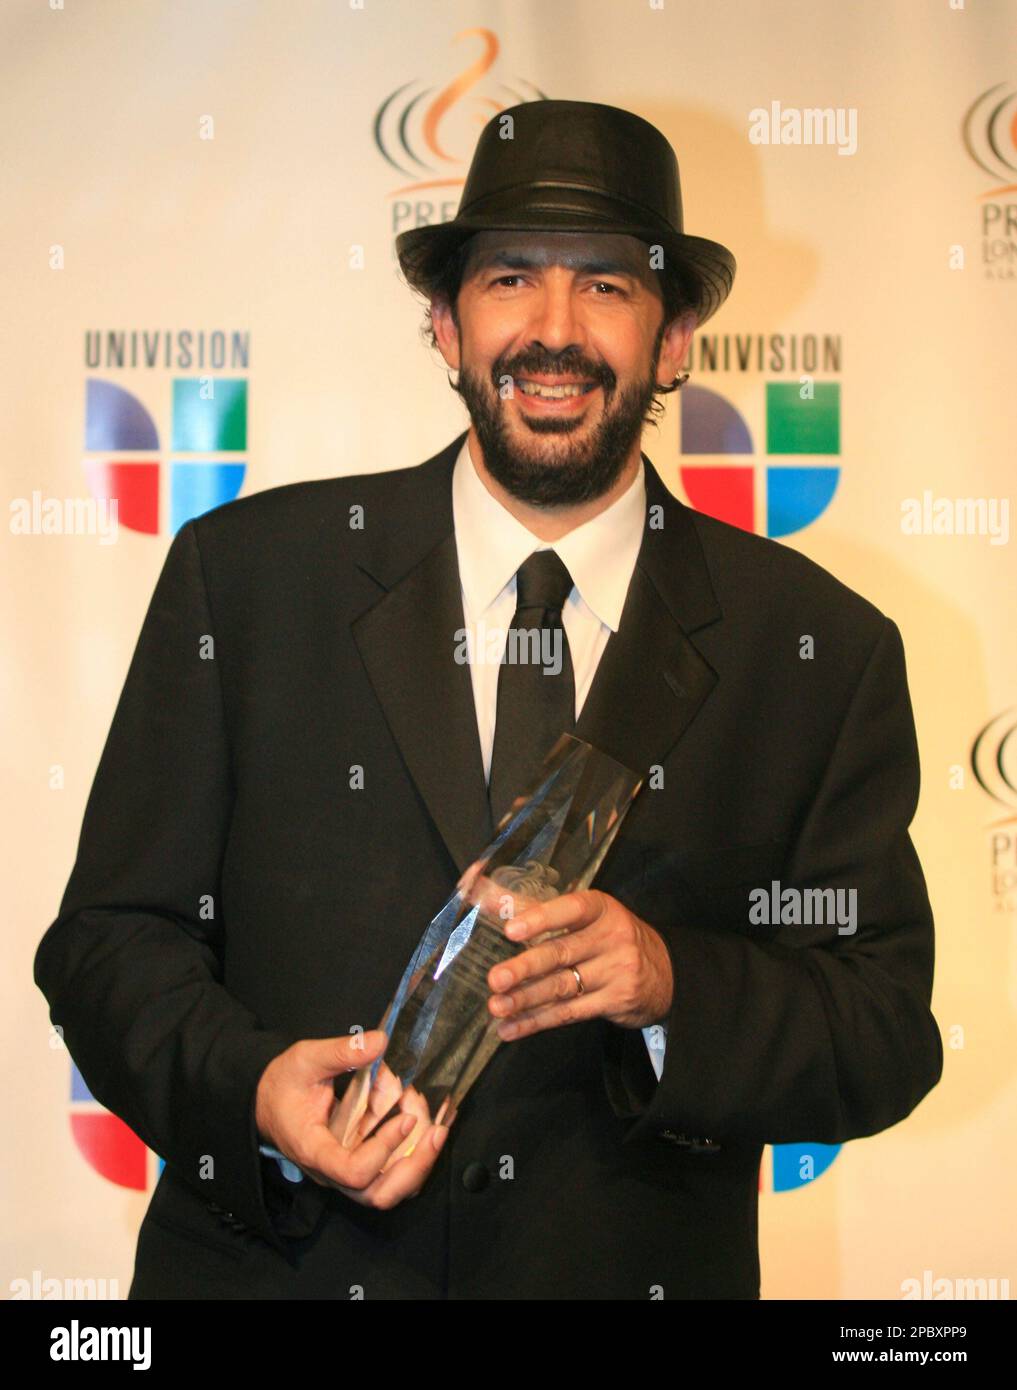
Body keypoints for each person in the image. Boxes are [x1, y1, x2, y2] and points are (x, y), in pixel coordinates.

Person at [35, 100, 942, 1300]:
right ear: (445, 325)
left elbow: (881, 1031)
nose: (554, 331)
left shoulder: (816, 648)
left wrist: (674, 985)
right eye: (510, 278)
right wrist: (251, 1092)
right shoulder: (249, 581)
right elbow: (107, 945)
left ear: (675, 339)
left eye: (609, 287)